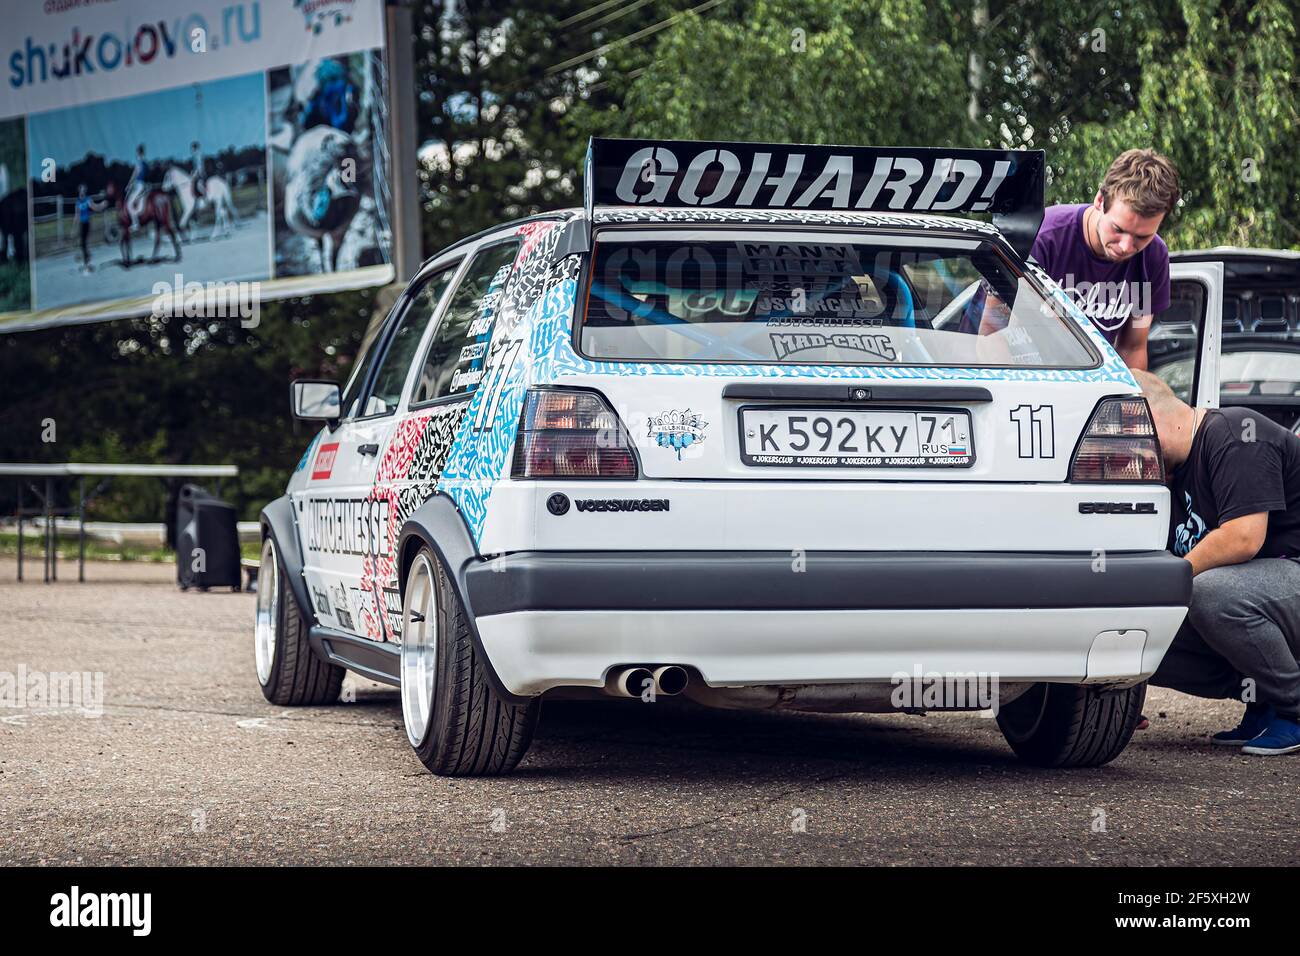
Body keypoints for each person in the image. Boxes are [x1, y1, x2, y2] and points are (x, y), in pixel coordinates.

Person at [1134, 370, 1300, 755]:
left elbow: (1244, 537)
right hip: (1268, 597)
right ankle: (1263, 700)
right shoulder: (1172, 477)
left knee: (1209, 593)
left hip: (1290, 573)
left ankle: (1293, 706)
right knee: (1136, 627)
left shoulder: (1234, 432)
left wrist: (1172, 578)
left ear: (1144, 420)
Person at [980, 149, 1180, 370]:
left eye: (1142, 237)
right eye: (1118, 229)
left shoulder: (1153, 256)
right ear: (1100, 200)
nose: (1126, 246)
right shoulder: (1040, 239)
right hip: (1014, 373)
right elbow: (992, 332)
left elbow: (1133, 348)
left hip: (1084, 381)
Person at [75, 183, 106, 272]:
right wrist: (74, 227)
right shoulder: (77, 202)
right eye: (81, 190)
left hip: (87, 224)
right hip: (81, 224)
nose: (82, 191)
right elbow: (77, 215)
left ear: (85, 191)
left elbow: (95, 207)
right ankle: (87, 260)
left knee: (84, 243)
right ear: (79, 191)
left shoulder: (88, 200)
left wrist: (102, 205)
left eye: (84, 190)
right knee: (82, 243)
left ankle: (87, 262)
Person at [126, 144, 148, 231]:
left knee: (129, 203)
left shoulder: (139, 163)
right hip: (143, 184)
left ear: (138, 153)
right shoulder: (145, 163)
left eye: (136, 153)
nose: (136, 155)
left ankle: (135, 223)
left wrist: (129, 184)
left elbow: (135, 175)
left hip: (139, 185)